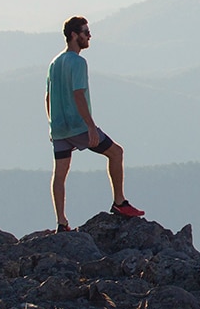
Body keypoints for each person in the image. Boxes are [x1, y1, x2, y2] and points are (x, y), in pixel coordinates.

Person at [47, 15, 143, 231]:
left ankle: (61, 222)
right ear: (74, 35)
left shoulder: (54, 63)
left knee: (60, 174)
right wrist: (90, 126)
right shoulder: (78, 62)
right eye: (85, 32)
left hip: (60, 128)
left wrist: (51, 125)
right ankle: (119, 202)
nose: (89, 36)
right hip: (78, 126)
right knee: (116, 152)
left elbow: (47, 96)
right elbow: (78, 94)